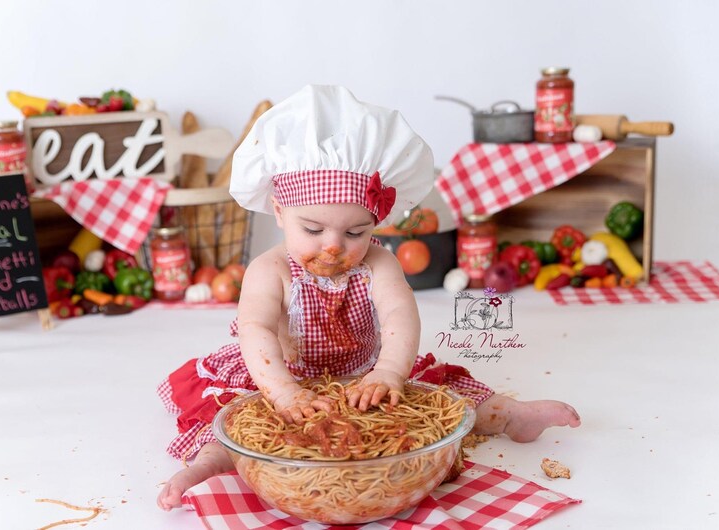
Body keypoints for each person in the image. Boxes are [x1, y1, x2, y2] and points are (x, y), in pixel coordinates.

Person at [156, 85, 580, 511]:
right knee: (236, 425)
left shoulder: (379, 264)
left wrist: (390, 372)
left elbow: (400, 314)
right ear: (280, 211)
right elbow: (256, 329)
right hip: (286, 376)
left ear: (375, 222)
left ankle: (509, 416)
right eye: (313, 230)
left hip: (366, 375)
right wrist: (283, 392)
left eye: (355, 232)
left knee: (449, 397)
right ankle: (203, 468)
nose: (333, 246)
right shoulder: (271, 270)